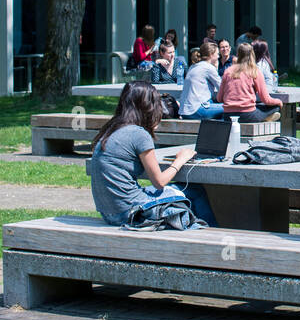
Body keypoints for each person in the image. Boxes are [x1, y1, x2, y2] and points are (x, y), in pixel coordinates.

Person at [89, 81, 216, 227]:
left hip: (109, 213)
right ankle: (212, 233)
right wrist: (180, 159)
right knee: (195, 190)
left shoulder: (111, 129)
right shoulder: (139, 134)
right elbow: (159, 182)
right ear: (149, 106)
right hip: (130, 212)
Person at [217, 42, 282, 121]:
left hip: (228, 115)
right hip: (247, 115)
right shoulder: (254, 71)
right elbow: (266, 99)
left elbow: (219, 98)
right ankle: (265, 118)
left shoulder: (228, 71)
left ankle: (263, 118)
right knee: (276, 107)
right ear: (252, 54)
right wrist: (278, 101)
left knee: (258, 107)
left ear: (237, 54)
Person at [180, 41, 224, 120]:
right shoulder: (208, 67)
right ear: (211, 55)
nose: (218, 56)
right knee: (231, 108)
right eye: (217, 54)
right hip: (197, 110)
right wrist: (216, 68)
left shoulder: (193, 66)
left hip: (185, 111)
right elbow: (222, 89)